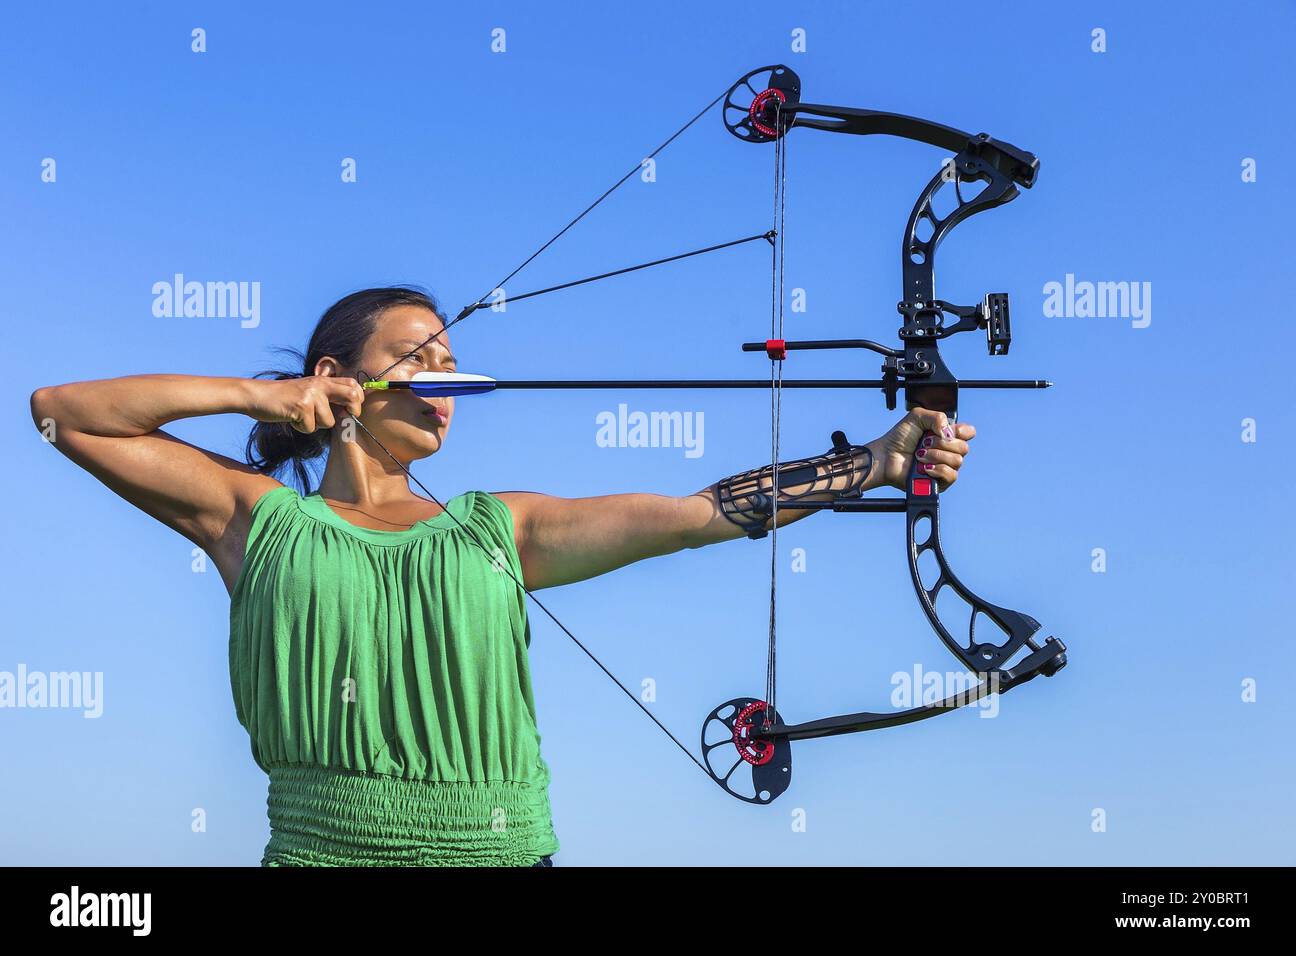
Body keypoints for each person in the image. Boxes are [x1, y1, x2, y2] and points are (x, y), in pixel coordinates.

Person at [28, 286, 974, 865]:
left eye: (453, 361)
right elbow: (63, 412)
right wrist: (258, 396)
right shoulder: (257, 518)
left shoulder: (499, 528)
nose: (446, 377)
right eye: (419, 357)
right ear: (337, 375)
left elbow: (701, 513)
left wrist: (876, 463)